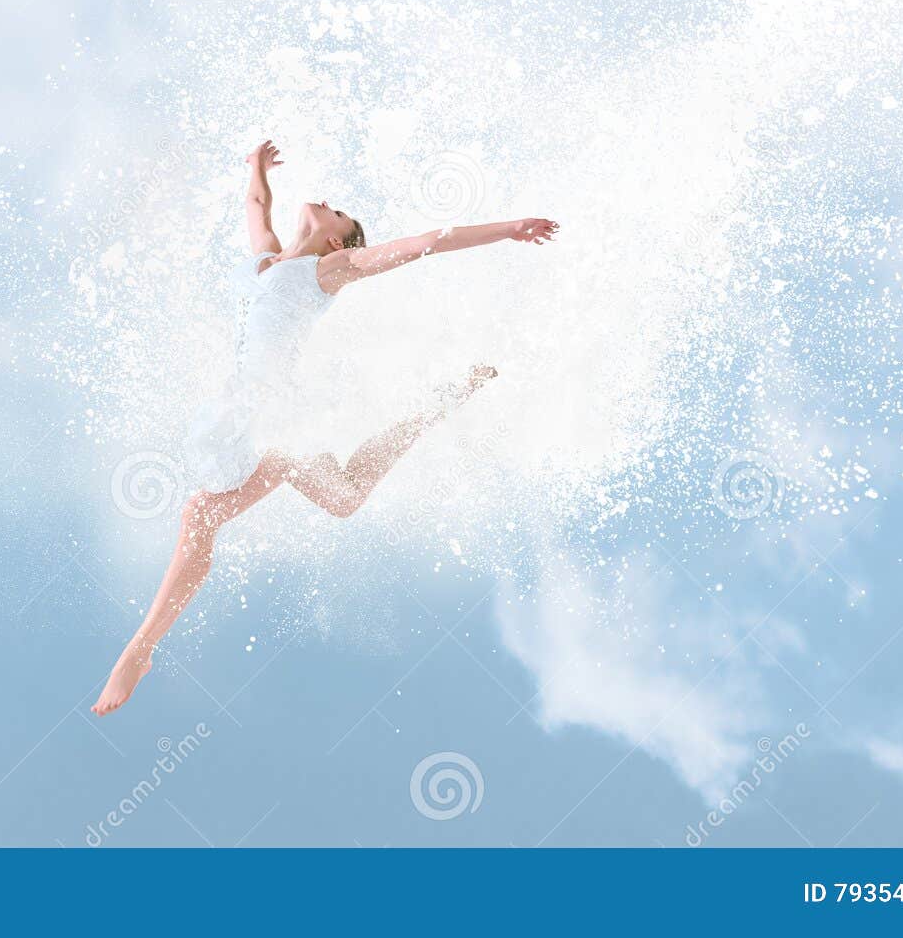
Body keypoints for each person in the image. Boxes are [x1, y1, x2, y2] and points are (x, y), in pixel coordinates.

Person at [92, 139, 557, 715]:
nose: (330, 203)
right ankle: (438, 404)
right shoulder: (265, 261)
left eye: (339, 213)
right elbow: (257, 208)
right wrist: (257, 169)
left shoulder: (330, 270)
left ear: (338, 240)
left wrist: (510, 228)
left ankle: (140, 649)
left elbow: (426, 244)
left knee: (204, 514)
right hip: (245, 411)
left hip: (274, 414)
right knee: (342, 498)